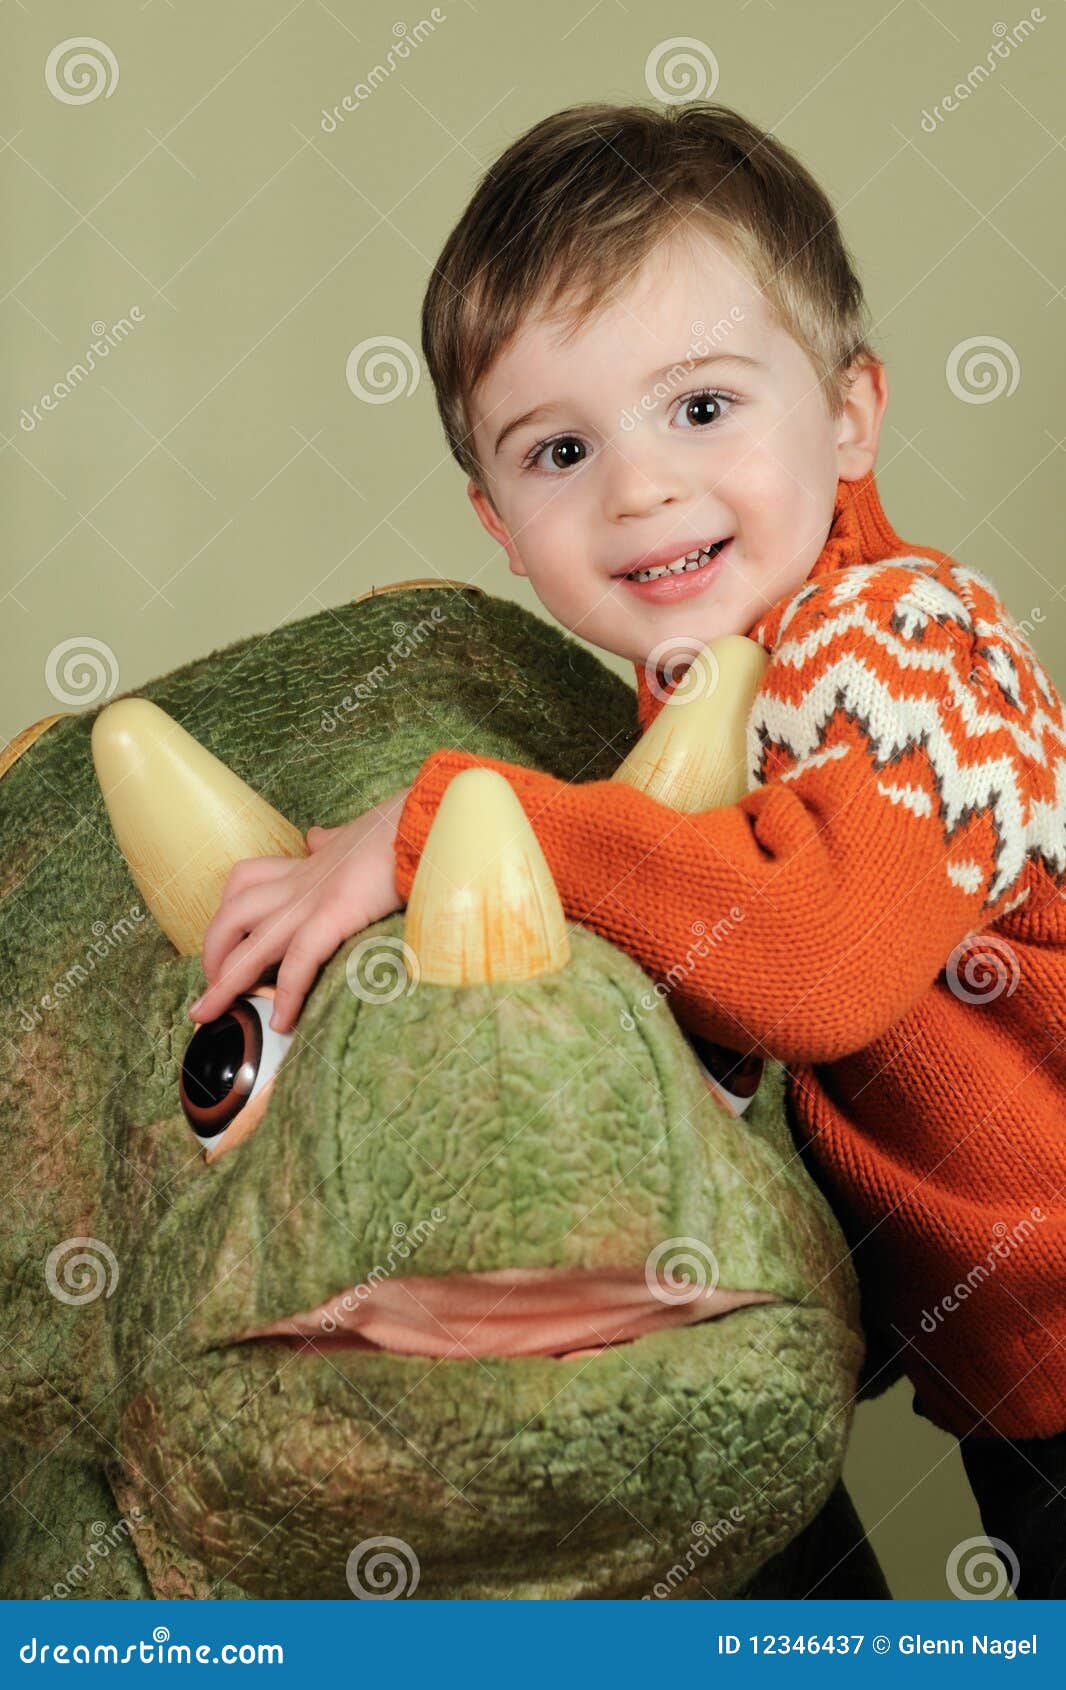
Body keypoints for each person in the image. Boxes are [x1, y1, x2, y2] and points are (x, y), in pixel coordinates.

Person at [186, 102, 1066, 1596]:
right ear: (495, 520)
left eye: (703, 408)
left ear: (850, 411)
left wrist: (436, 820)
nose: (639, 487)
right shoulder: (703, 707)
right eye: (560, 448)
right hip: (1009, 1346)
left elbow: (816, 966)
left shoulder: (909, 643)